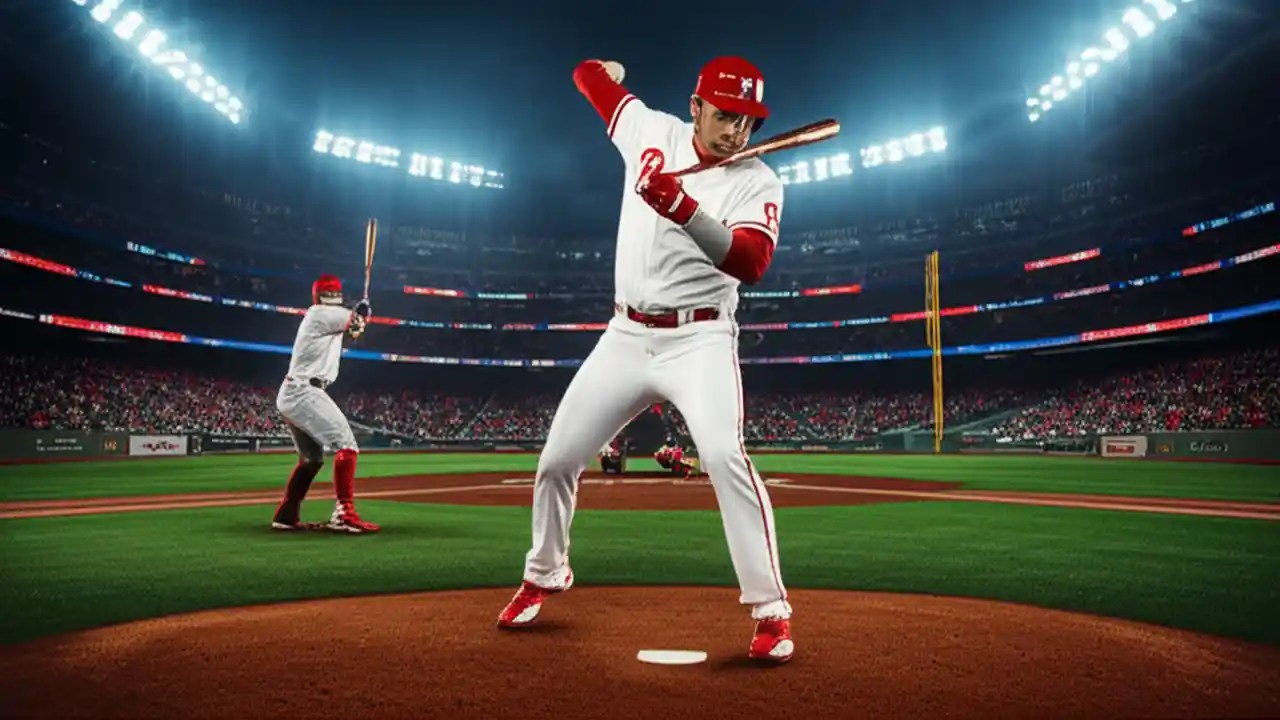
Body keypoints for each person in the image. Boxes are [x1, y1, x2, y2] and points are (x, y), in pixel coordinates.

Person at [497, 56, 793, 663]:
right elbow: (587, 78)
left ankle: (770, 611)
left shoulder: (758, 181)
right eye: (725, 115)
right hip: (625, 335)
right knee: (556, 460)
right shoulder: (649, 131)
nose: (737, 130)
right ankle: (545, 573)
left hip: (700, 339)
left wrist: (684, 209)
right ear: (695, 106)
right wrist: (605, 67)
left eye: (748, 120)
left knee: (720, 454)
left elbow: (750, 264)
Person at [271, 274, 380, 534]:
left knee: (312, 458)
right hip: (304, 390)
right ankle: (344, 513)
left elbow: (353, 330)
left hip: (294, 391)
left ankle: (286, 514)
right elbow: (354, 322)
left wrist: (360, 317)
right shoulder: (321, 313)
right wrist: (362, 312)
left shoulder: (322, 317)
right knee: (347, 445)